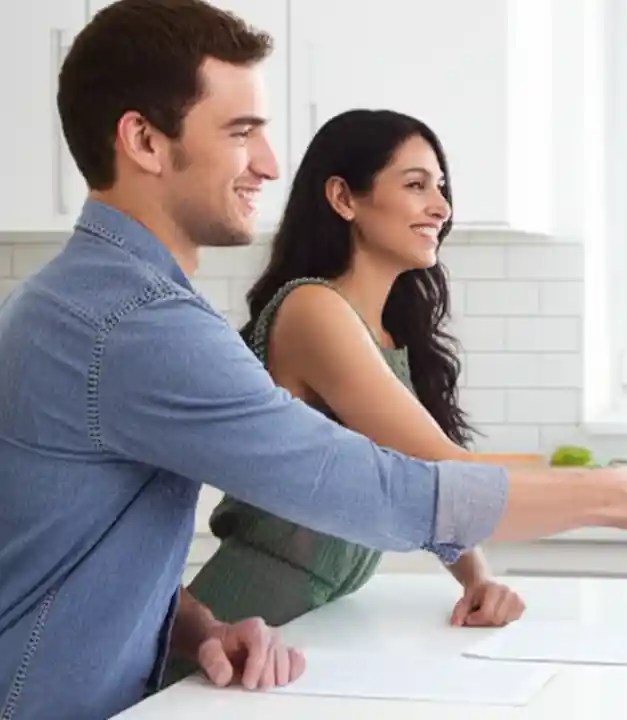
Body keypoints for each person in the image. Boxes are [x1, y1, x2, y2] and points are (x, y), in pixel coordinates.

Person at [0, 2, 627, 718]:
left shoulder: (85, 302)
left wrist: (199, 628)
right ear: (145, 142)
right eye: (241, 131)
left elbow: (76, 543)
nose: (268, 162)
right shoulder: (135, 325)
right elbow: (379, 490)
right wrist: (621, 494)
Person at [169, 109, 532, 682]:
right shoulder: (312, 310)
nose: (441, 206)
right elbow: (446, 472)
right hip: (247, 623)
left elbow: (425, 475)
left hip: (315, 626)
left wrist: (477, 580)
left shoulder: (386, 332)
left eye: (441, 187)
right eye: (416, 185)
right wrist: (616, 495)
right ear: (343, 198)